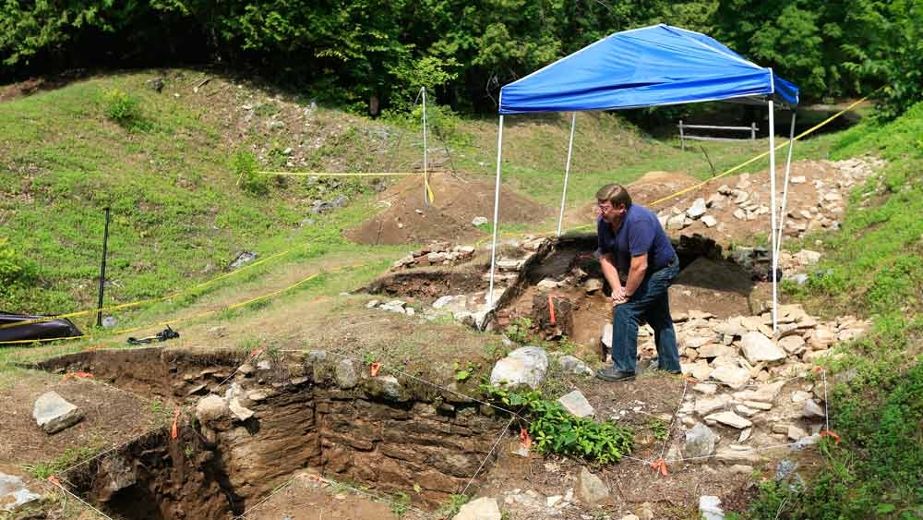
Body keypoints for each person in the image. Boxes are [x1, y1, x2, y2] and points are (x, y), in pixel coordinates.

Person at [594, 183, 680, 382]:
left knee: (626, 310)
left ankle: (624, 368)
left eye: (605, 207)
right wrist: (616, 288)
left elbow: (639, 266)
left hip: (661, 269)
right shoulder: (604, 222)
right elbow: (605, 256)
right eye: (599, 206)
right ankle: (671, 369)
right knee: (659, 317)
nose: (600, 211)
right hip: (642, 270)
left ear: (621, 207)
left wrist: (627, 294)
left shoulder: (639, 221)